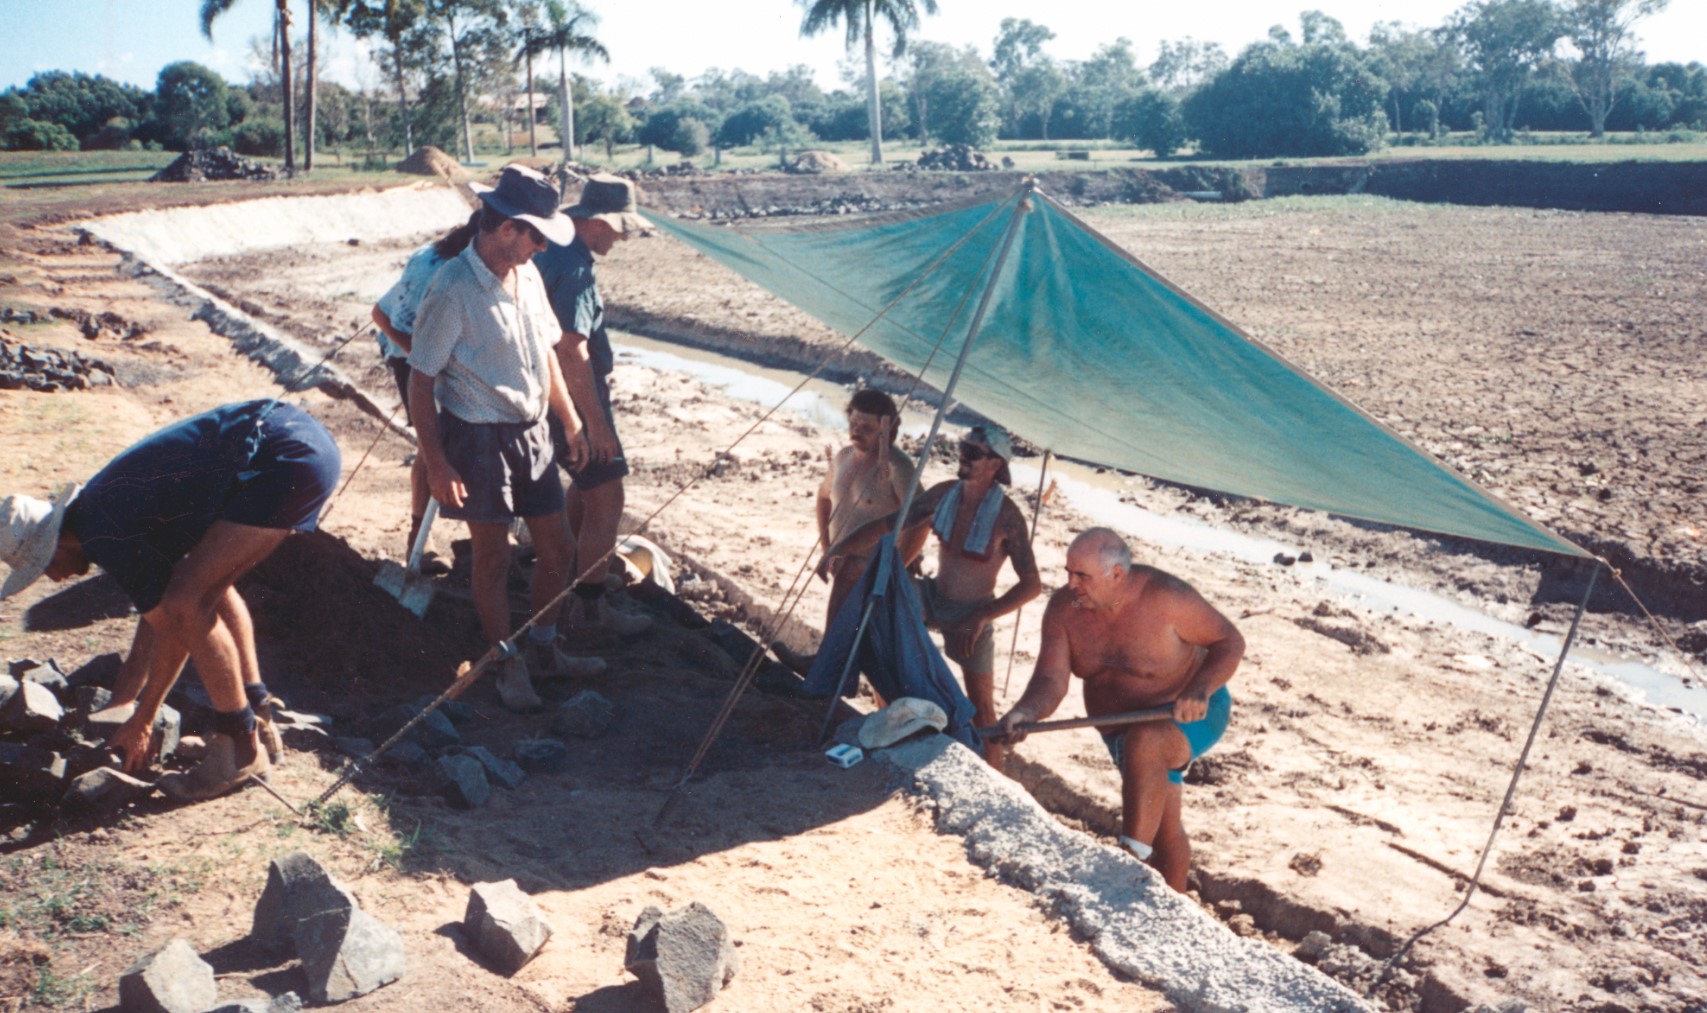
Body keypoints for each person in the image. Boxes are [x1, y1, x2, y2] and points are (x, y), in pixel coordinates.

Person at [0, 399, 342, 801]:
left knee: (188, 601)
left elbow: (176, 626)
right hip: (296, 440)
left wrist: (143, 719)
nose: (53, 578)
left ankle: (239, 749)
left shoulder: (105, 533)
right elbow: (155, 614)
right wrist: (122, 703)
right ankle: (256, 712)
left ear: (56, 544)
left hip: (284, 460)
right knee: (200, 585)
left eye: (44, 566)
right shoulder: (100, 511)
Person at [408, 164, 600, 713]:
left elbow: (546, 353)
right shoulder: (452, 288)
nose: (543, 247)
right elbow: (422, 379)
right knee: (493, 557)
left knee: (558, 547)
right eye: (537, 235)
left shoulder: (529, 277)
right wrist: (437, 461)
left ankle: (544, 647)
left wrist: (569, 420)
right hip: (476, 436)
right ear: (509, 227)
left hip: (532, 430)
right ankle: (505, 662)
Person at [994, 528, 1242, 892]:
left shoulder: (1166, 598)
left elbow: (1229, 640)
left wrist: (1199, 690)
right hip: (1118, 728)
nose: (1071, 584)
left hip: (1190, 712)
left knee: (1147, 745)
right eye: (1068, 572)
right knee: (1165, 828)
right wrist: (1025, 712)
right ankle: (1172, 914)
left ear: (1116, 576)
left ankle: (1126, 865)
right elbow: (1051, 679)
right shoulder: (1069, 608)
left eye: (1082, 576)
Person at [820, 425, 1042, 769]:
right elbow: (888, 525)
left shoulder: (1008, 517)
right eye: (963, 448)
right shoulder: (944, 494)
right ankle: (855, 688)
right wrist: (837, 548)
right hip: (932, 596)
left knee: (982, 707)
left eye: (973, 452)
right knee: (872, 609)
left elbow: (1032, 585)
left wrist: (982, 616)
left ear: (996, 465)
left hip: (973, 611)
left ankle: (996, 778)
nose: (963, 456)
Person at [534, 173, 654, 638]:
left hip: (543, 389)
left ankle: (570, 583)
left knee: (587, 488)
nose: (622, 238)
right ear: (598, 221)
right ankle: (590, 610)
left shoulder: (551, 251)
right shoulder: (577, 270)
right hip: (572, 393)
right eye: (620, 228)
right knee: (608, 497)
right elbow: (572, 351)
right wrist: (594, 426)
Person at [773, 389, 915, 673]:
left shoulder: (897, 466)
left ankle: (823, 664)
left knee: (874, 648)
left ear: (887, 430)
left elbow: (920, 519)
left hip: (873, 566)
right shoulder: (843, 457)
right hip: (843, 560)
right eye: (853, 424)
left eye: (867, 427)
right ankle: (828, 667)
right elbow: (824, 497)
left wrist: (897, 565)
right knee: (871, 654)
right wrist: (827, 549)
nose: (856, 431)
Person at [371, 210, 480, 563]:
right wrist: (423, 360)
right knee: (431, 442)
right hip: (407, 350)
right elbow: (382, 315)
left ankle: (480, 535)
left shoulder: (458, 261)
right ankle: (419, 538)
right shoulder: (438, 269)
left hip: (432, 347)